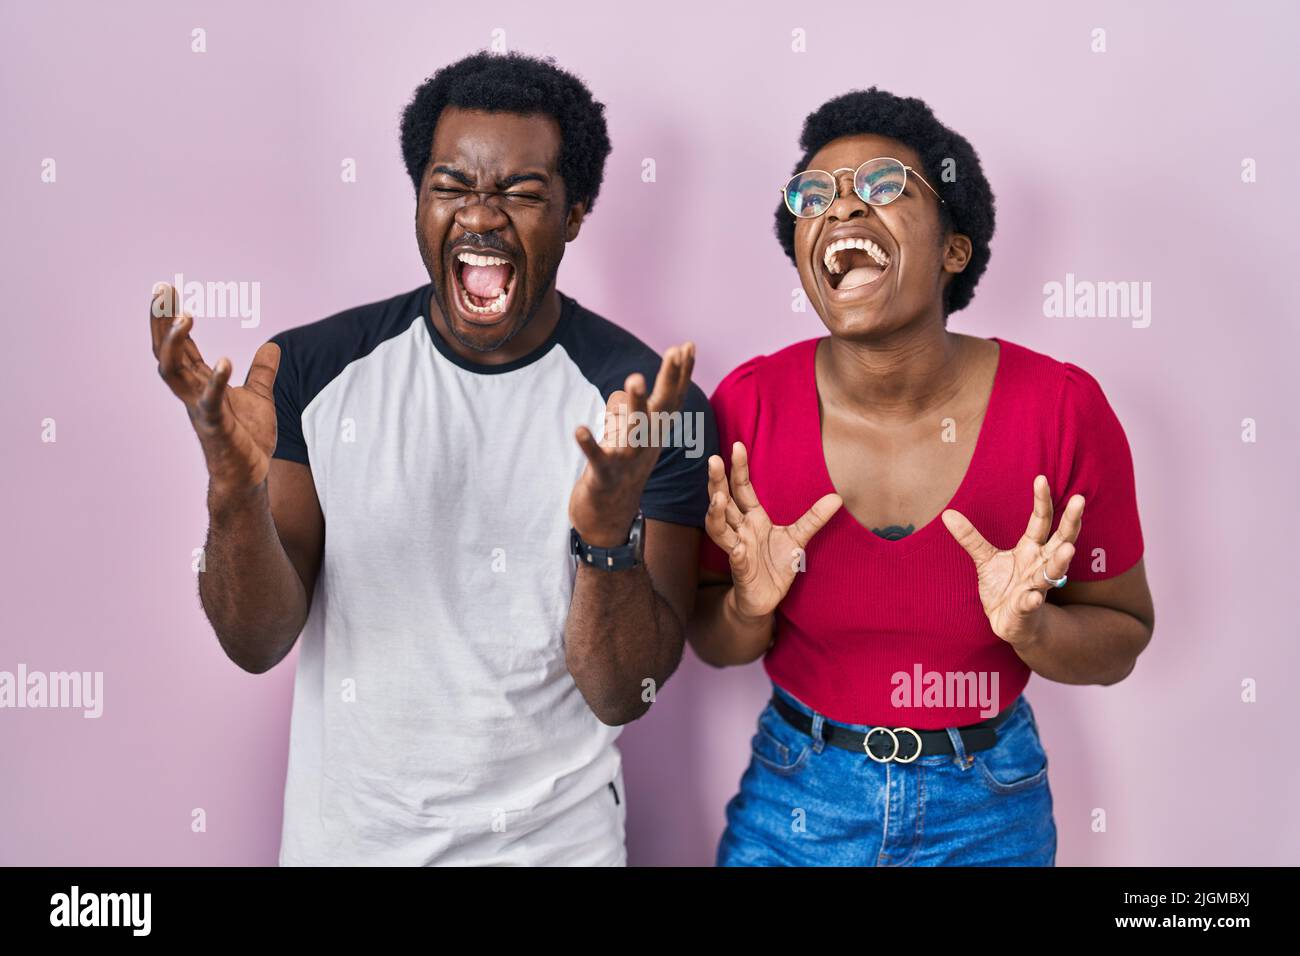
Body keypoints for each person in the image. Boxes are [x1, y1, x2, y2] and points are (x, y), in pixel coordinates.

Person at [149, 51, 715, 866]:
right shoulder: (308, 373)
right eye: (451, 186)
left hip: (556, 849)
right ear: (419, 199)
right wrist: (234, 492)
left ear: (576, 211)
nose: (481, 218)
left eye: (521, 193)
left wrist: (605, 537)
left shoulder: (648, 408)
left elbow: (624, 691)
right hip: (348, 845)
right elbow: (256, 640)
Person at [688, 88, 1155, 866]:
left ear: (953, 249)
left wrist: (1033, 630)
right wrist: (746, 605)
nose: (840, 209)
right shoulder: (749, 406)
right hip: (798, 794)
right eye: (814, 197)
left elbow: (1123, 636)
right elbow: (715, 641)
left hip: (988, 809)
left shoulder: (1062, 409)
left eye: (882, 186)